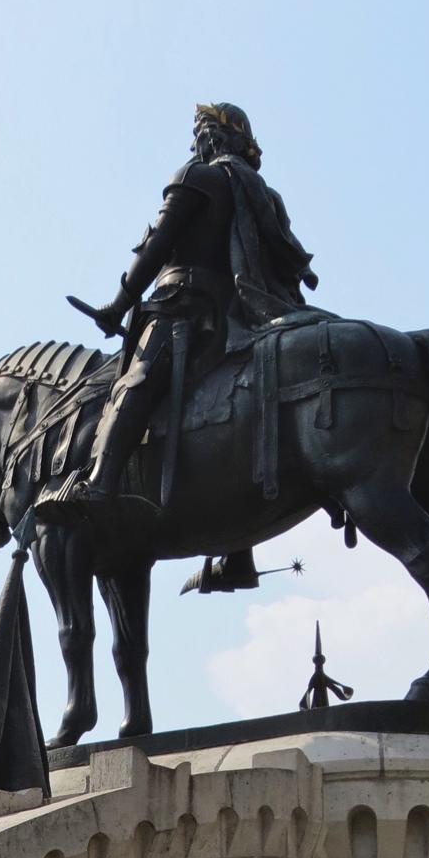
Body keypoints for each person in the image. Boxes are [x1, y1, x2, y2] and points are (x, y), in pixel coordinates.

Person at [39, 102, 318, 543]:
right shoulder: (264, 194)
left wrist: (118, 305)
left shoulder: (197, 178)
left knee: (136, 381)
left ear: (212, 138)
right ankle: (234, 548)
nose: (195, 144)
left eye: (199, 135)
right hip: (245, 314)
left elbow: (157, 246)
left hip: (187, 307)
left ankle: (100, 483)